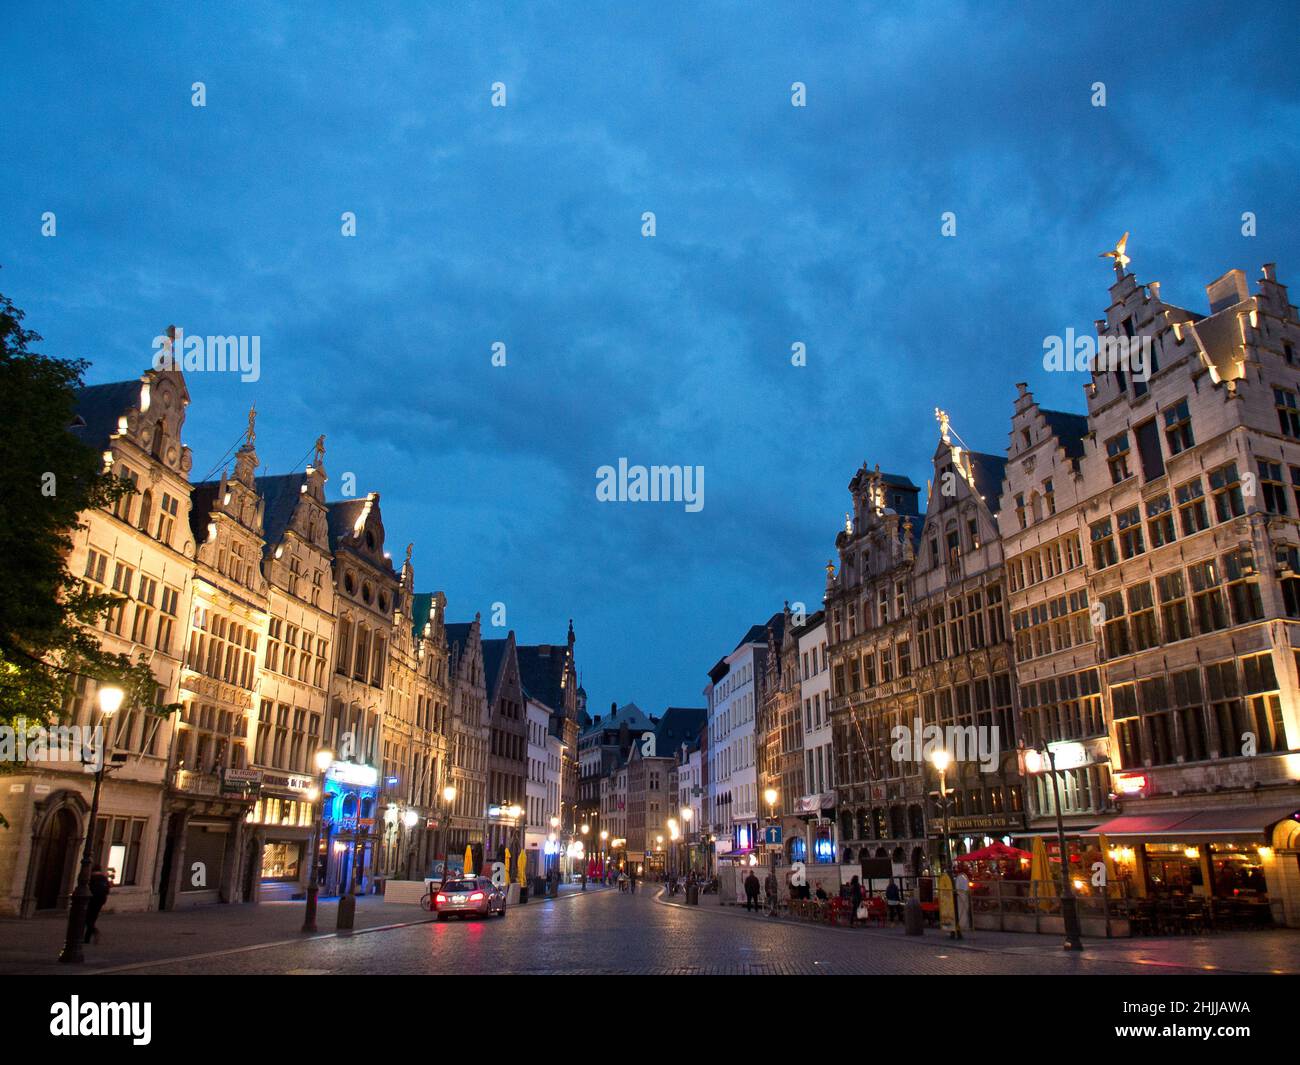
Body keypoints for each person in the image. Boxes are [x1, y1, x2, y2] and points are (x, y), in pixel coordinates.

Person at [85, 865, 111, 943]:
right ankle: (87, 938)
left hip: (92, 900)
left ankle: (94, 931)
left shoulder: (92, 878)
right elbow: (107, 890)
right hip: (101, 900)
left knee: (86, 918)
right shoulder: (104, 878)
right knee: (93, 918)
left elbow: (88, 889)